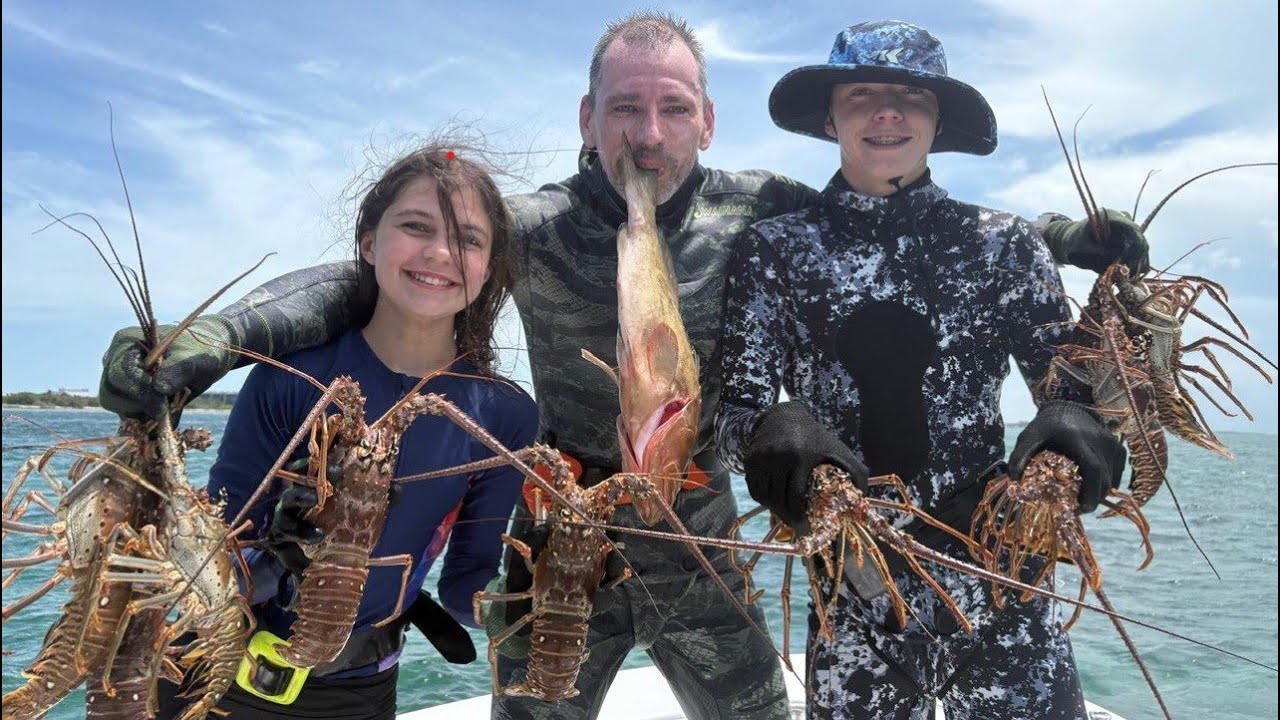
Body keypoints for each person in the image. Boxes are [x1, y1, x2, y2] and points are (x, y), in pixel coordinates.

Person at [100, 13, 1147, 720]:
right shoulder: (530, 227)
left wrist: (1068, 235)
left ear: (706, 118)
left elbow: (898, 214)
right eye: (624, 108)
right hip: (561, 530)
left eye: (673, 108)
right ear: (586, 118)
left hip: (701, 531)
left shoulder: (764, 211)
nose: (648, 133)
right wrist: (205, 344)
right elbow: (387, 268)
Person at [715, 20, 1129, 720]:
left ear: (938, 118)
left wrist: (1071, 426)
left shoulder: (1005, 245)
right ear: (829, 114)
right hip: (851, 585)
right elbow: (731, 421)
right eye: (863, 92)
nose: (887, 111)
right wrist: (774, 431)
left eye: (911, 95)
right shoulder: (773, 250)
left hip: (1000, 574)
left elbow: (1072, 393)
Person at [156, 143, 538, 720]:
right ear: (368, 242)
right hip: (215, 667)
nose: (440, 252)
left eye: (469, 239)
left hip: (356, 690)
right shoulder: (290, 376)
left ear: (490, 267)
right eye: (416, 226)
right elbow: (221, 540)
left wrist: (543, 592)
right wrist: (269, 553)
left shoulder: (505, 415)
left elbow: (466, 588)